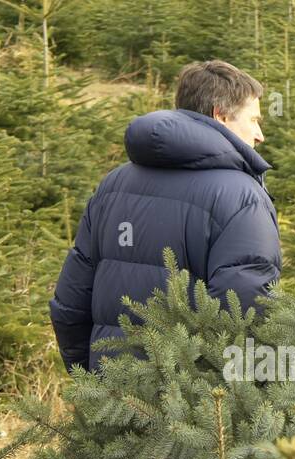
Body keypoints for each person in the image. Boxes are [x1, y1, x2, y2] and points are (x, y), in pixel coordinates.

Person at [49, 60, 280, 372]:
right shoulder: (242, 196)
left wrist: (89, 380)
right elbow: (243, 311)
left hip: (110, 395)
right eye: (254, 120)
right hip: (194, 406)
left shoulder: (112, 184)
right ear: (221, 115)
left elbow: (70, 301)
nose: (260, 135)